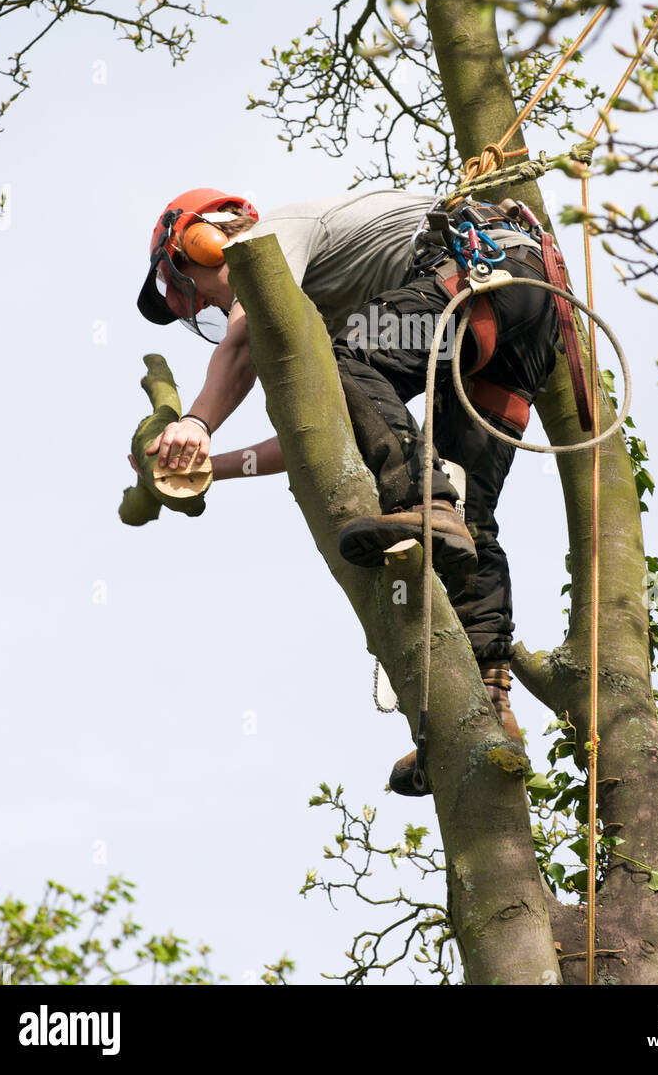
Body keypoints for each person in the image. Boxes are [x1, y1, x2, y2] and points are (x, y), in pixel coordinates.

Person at [136, 185, 560, 794]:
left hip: (476, 272)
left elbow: (243, 344)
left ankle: (425, 503)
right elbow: (328, 429)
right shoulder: (338, 321)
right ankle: (489, 710)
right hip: (522, 316)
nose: (200, 301)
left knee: (350, 364)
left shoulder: (274, 233)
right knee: (470, 518)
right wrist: (206, 467)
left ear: (205, 239)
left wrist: (195, 423)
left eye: (189, 286)